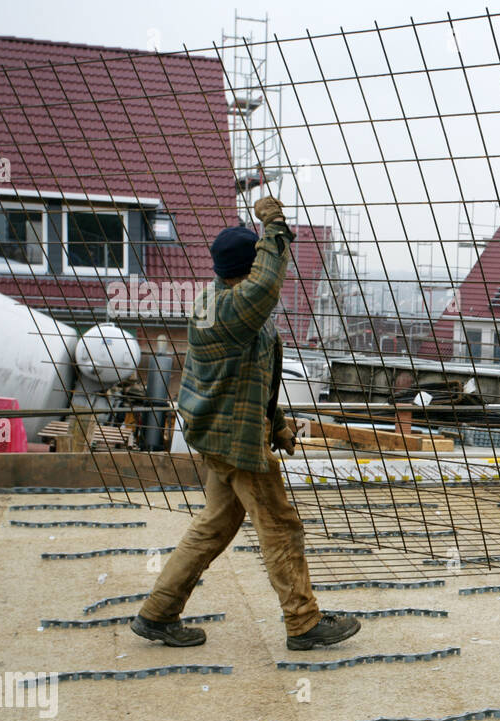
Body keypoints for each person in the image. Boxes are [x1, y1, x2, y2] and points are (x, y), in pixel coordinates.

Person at [131, 196, 360, 652]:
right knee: (279, 524)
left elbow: (249, 379)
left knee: (214, 525)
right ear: (246, 265)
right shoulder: (231, 308)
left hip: (225, 431)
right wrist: (275, 225)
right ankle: (304, 623)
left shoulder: (227, 305)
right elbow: (267, 287)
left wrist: (274, 423)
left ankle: (157, 613)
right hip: (233, 441)